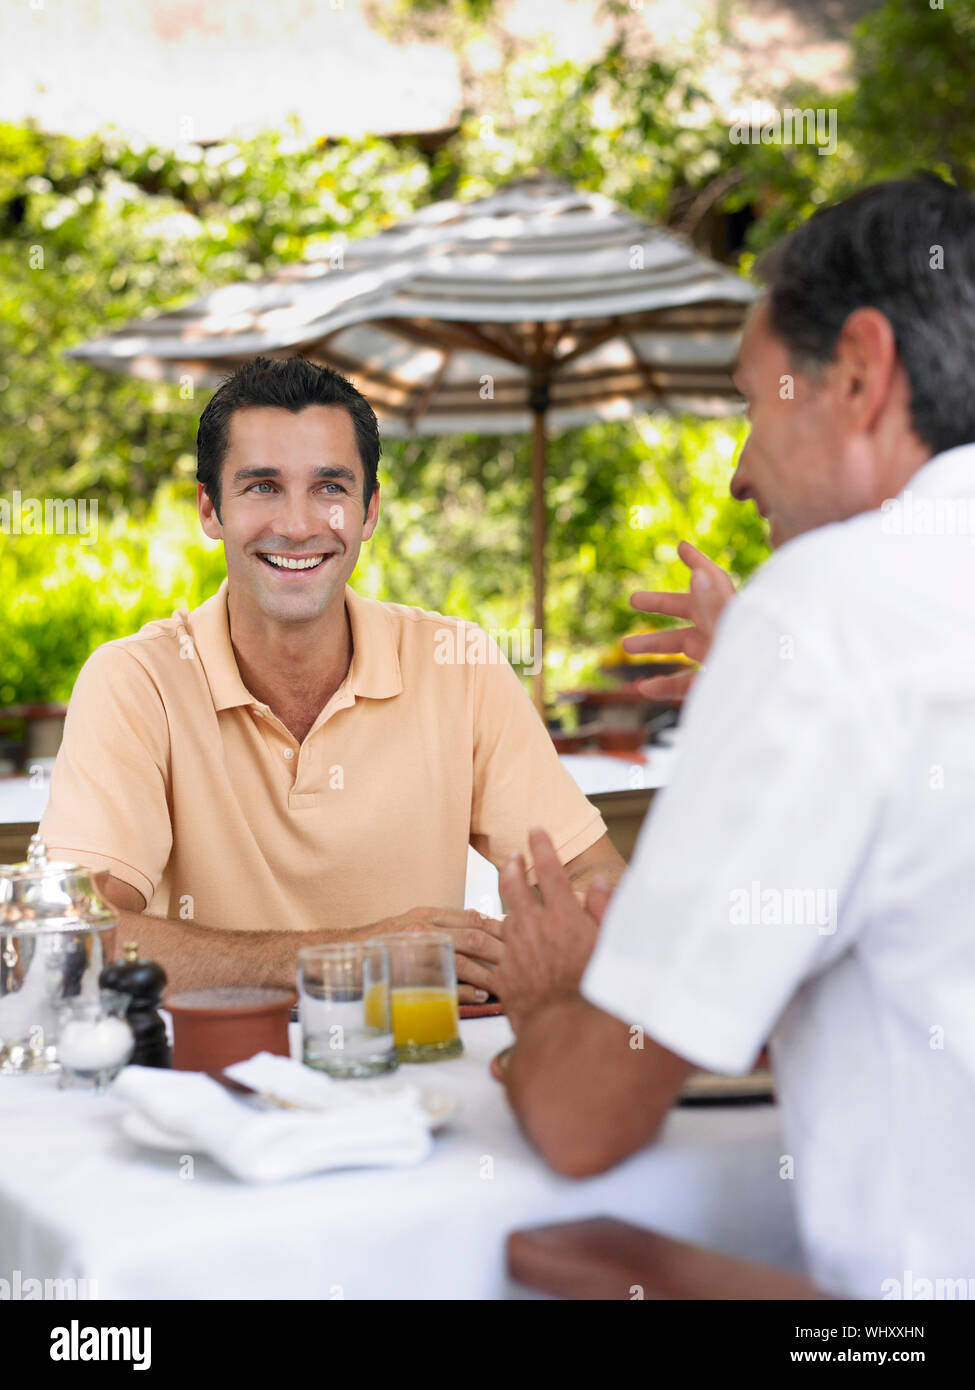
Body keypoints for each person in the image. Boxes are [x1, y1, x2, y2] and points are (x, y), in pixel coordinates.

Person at [491, 174, 975, 1299]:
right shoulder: (852, 627)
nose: (740, 470)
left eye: (754, 403)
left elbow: (581, 1119)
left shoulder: (835, 611)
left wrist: (556, 999)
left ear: (858, 370)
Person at [38, 357, 625, 994]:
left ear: (369, 512)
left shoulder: (459, 664)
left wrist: (497, 951)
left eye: (330, 488)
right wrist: (359, 961)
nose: (297, 525)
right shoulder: (135, 680)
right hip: (213, 1080)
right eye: (263, 486)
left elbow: (594, 883)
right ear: (210, 509)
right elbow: (74, 935)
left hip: (419, 1080)